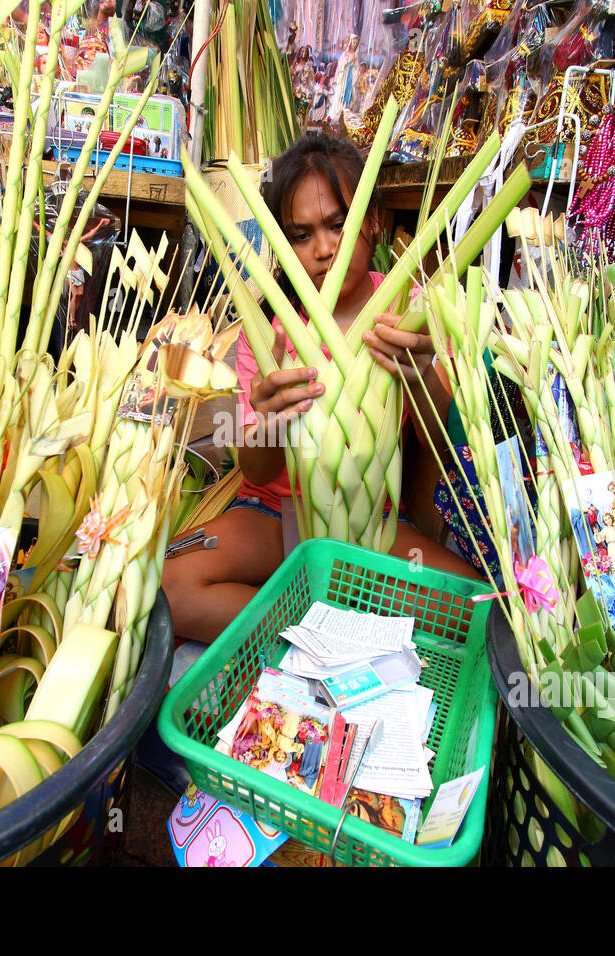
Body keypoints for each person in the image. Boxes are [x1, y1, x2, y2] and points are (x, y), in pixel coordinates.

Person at [162, 131, 480, 644]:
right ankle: (326, 630)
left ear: (373, 222)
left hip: (370, 519)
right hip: (273, 518)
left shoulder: (410, 309)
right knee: (168, 587)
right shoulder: (268, 330)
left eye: (339, 225)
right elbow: (257, 470)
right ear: (283, 244)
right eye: (302, 234)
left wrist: (420, 376)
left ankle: (313, 619)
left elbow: (443, 451)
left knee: (478, 611)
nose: (325, 249)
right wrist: (269, 422)